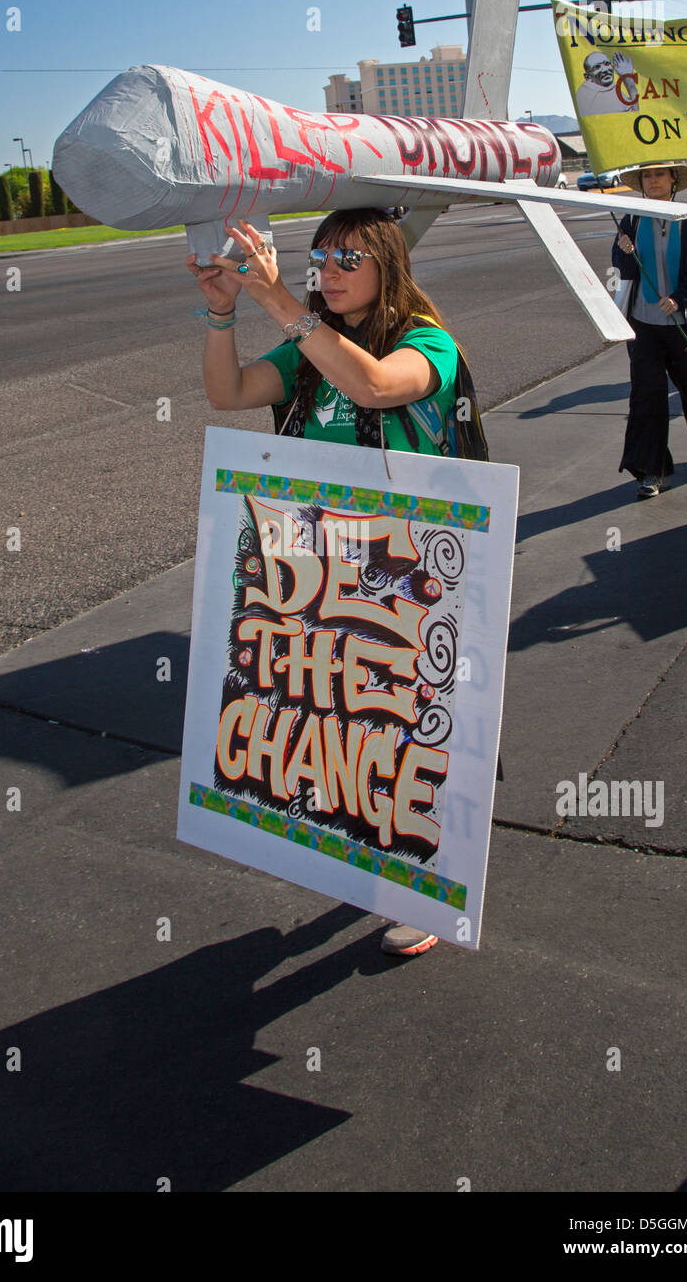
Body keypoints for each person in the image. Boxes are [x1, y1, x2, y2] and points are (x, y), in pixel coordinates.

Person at [188, 206, 487, 957]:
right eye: (322, 258)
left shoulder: (427, 342)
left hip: (408, 574)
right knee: (341, 723)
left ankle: (423, 887)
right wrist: (221, 314)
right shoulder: (307, 345)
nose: (330, 272)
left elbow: (376, 387)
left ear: (390, 265)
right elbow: (228, 391)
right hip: (319, 569)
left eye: (351, 259)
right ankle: (373, 856)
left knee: (411, 727)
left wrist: (277, 300)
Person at [611, 162, 687, 498]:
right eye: (647, 176)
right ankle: (653, 471)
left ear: (673, 180)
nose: (653, 180)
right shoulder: (632, 219)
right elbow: (622, 268)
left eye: (659, 175)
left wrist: (680, 298)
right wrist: (623, 252)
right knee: (647, 396)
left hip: (682, 321)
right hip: (643, 324)